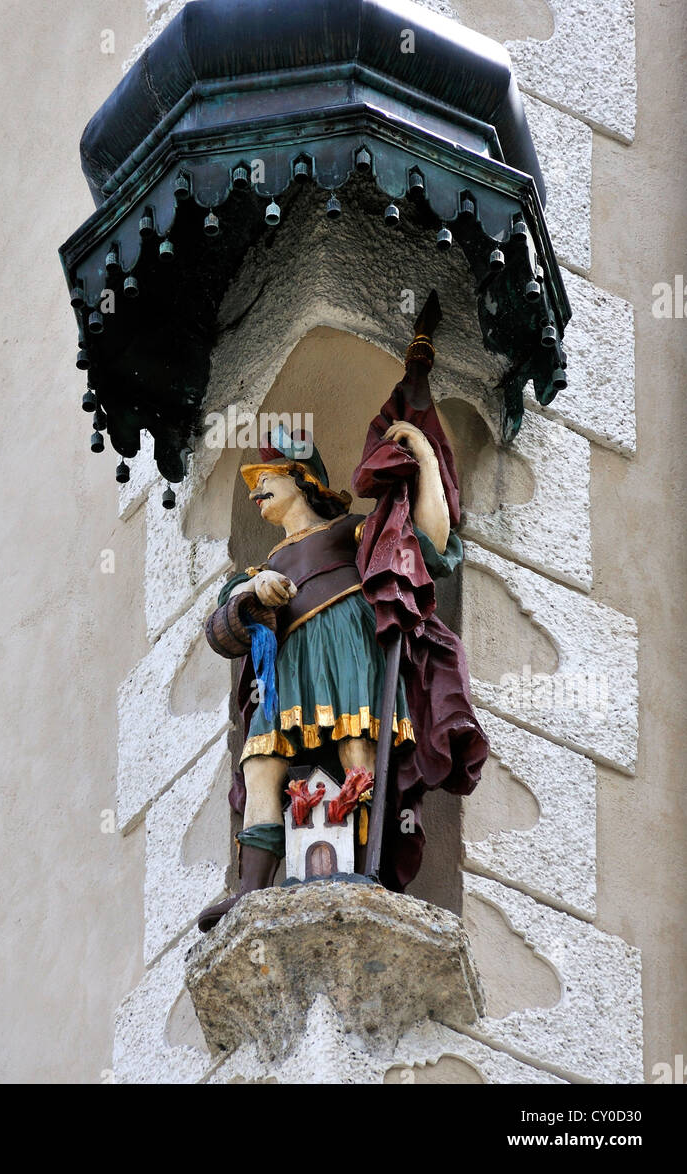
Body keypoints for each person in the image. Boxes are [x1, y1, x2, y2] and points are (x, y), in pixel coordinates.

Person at [198, 307, 488, 932]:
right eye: (251, 481)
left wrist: (427, 463)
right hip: (285, 668)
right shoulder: (263, 563)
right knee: (261, 760)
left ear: (301, 478)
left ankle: (368, 869)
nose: (255, 491)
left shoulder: (353, 533)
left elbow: (429, 547)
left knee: (360, 746)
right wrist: (253, 596)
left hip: (349, 647)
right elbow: (221, 629)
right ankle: (250, 890)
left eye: (265, 477)